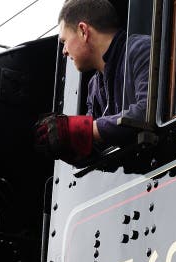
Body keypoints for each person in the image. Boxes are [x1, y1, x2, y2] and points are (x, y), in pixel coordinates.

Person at [35, 0, 151, 161]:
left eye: (64, 41)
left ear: (83, 31)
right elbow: (96, 144)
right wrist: (68, 144)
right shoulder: (94, 86)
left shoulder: (142, 50)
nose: (64, 51)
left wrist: (81, 129)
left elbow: (147, 110)